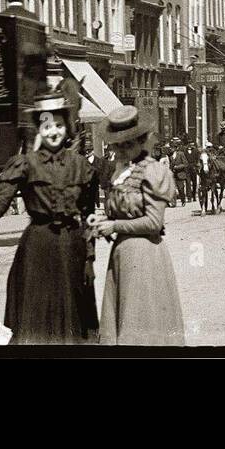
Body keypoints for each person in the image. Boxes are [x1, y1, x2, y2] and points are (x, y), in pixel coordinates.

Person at [0, 93, 99, 344]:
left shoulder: (81, 165)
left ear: (67, 127)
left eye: (59, 125)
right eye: (47, 126)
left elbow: (88, 214)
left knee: (73, 317)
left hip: (73, 248)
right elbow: (1, 200)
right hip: (37, 248)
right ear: (39, 128)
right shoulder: (25, 164)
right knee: (35, 316)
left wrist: (90, 257)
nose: (54, 132)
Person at [91, 106, 185, 346]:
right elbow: (122, 213)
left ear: (142, 141)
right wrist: (103, 222)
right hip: (122, 255)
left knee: (141, 325)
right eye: (117, 145)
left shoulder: (153, 171)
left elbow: (154, 222)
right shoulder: (121, 171)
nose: (122, 150)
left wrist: (115, 226)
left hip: (145, 256)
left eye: (128, 144)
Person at [169, 139, 192, 206]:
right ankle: (173, 203)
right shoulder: (170, 156)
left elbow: (185, 164)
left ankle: (183, 200)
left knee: (180, 189)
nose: (171, 149)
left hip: (180, 174)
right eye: (170, 147)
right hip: (173, 175)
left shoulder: (181, 154)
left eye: (172, 147)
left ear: (176, 148)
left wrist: (177, 167)